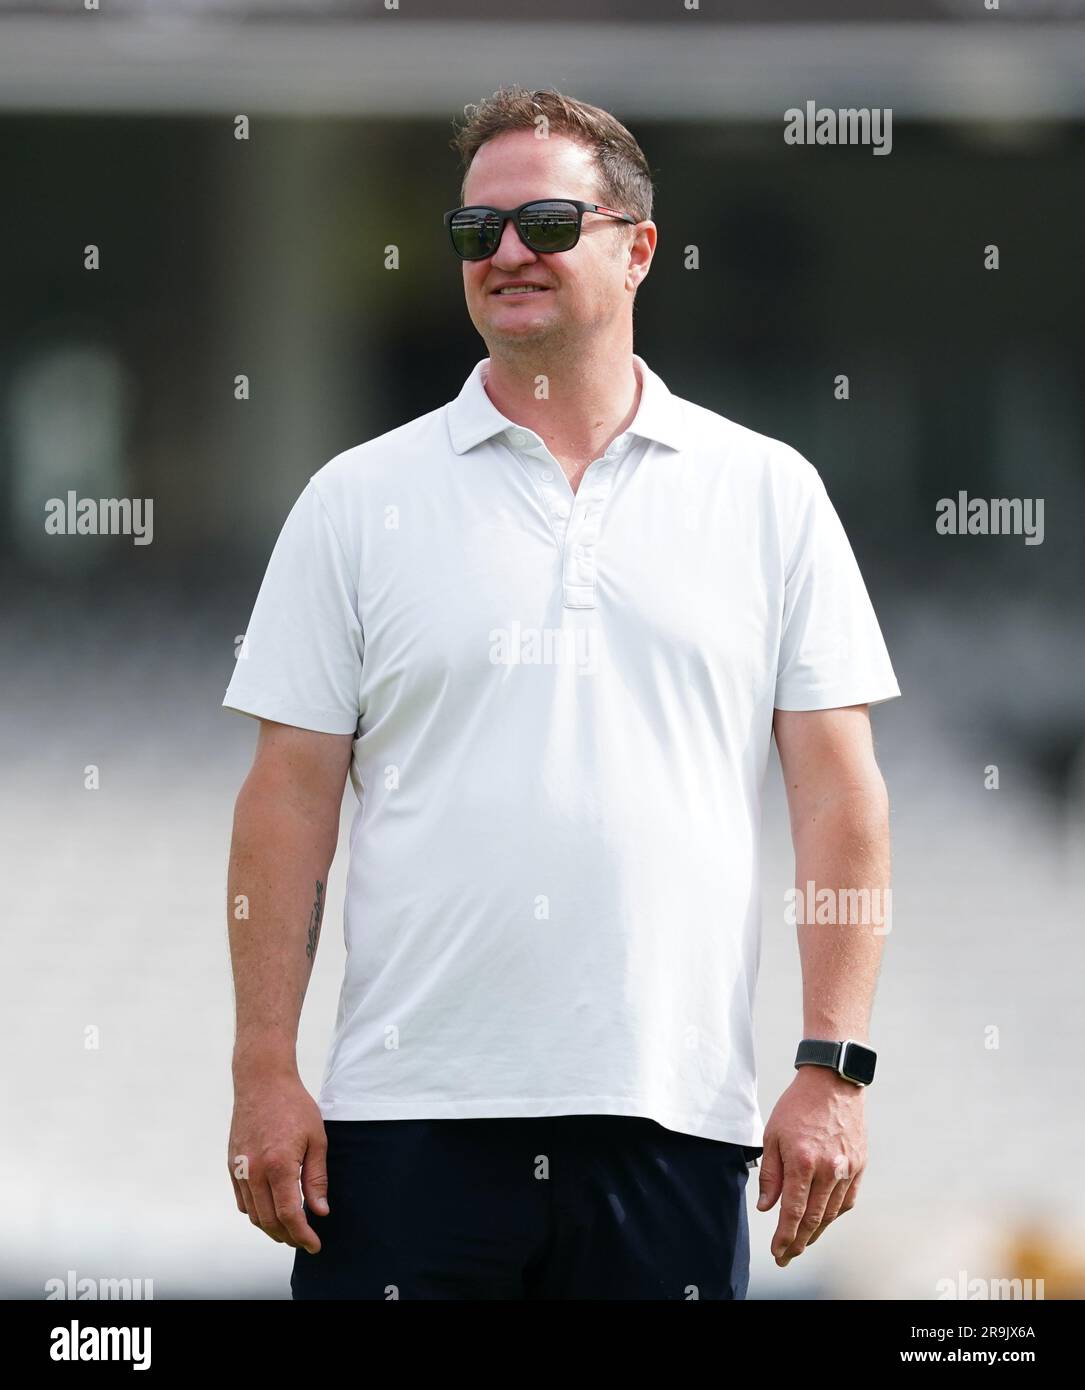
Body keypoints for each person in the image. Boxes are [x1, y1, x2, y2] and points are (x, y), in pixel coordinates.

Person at [222, 86, 900, 1301]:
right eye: (475, 233)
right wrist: (263, 1066)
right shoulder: (352, 500)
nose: (507, 254)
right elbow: (284, 804)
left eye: (543, 219)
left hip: (675, 1118)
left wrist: (831, 1067)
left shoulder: (768, 493)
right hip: (403, 1125)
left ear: (636, 247)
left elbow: (839, 800)